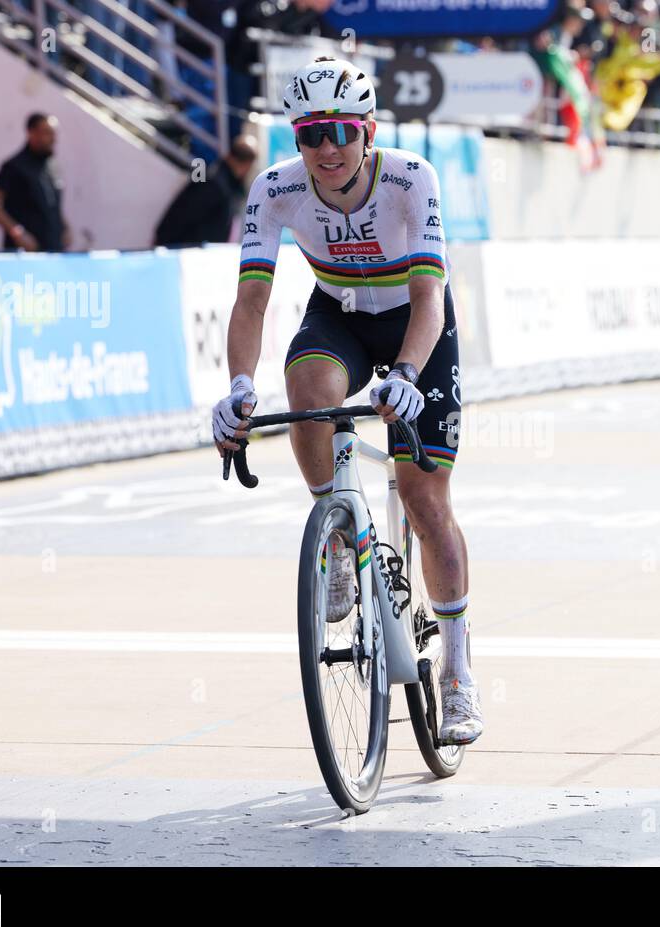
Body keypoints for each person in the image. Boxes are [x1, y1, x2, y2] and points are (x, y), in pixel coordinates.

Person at [211, 57, 483, 746]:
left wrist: (411, 374)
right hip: (341, 316)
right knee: (306, 389)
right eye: (310, 135)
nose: (326, 149)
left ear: (366, 129)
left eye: (338, 131)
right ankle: (337, 533)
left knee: (425, 499)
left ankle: (457, 670)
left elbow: (429, 298)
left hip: (417, 325)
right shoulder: (276, 190)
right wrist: (239, 385)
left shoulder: (410, 178)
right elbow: (251, 299)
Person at [0, 113, 71, 253]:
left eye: (53, 133)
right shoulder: (15, 166)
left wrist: (65, 226)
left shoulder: (51, 165)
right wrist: (17, 232)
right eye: (47, 133)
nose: (53, 139)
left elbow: (50, 204)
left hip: (53, 250)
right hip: (25, 256)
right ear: (31, 133)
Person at [154, 135, 259, 246]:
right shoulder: (213, 181)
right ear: (247, 164)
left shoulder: (227, 180)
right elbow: (182, 216)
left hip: (204, 253)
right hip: (188, 253)